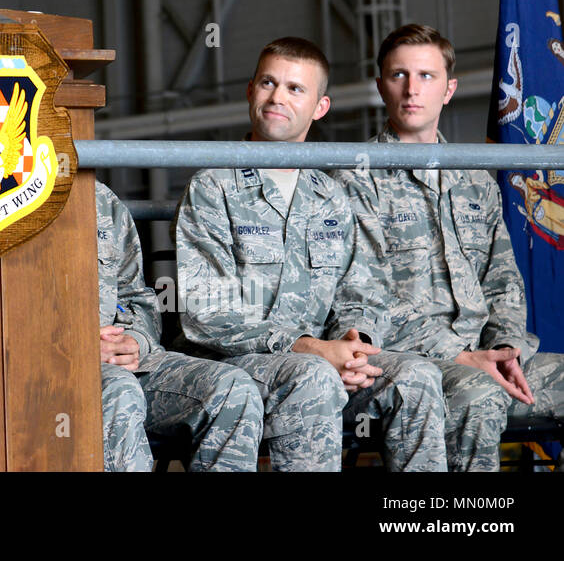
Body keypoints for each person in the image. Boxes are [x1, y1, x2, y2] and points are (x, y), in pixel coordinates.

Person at [172, 37, 447, 471]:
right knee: (312, 377)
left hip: (326, 361)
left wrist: (356, 345)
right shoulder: (213, 187)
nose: (277, 97)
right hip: (239, 365)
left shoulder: (330, 196)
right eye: (268, 83)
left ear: (320, 107)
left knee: (417, 377)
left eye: (295, 89)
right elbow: (206, 315)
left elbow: (362, 292)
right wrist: (310, 349)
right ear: (250, 91)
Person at [334, 23, 564, 471]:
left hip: (488, 351)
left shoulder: (476, 177)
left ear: (449, 88)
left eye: (426, 76)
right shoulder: (354, 180)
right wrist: (460, 356)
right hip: (411, 361)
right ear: (381, 85)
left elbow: (504, 282)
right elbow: (359, 300)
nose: (411, 89)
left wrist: (507, 349)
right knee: (477, 396)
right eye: (398, 75)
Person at [97, 181, 263, 471]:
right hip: (54, 371)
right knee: (120, 390)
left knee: (233, 387)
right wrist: (71, 348)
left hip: (129, 360)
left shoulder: (98, 199)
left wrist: (134, 338)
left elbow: (133, 298)